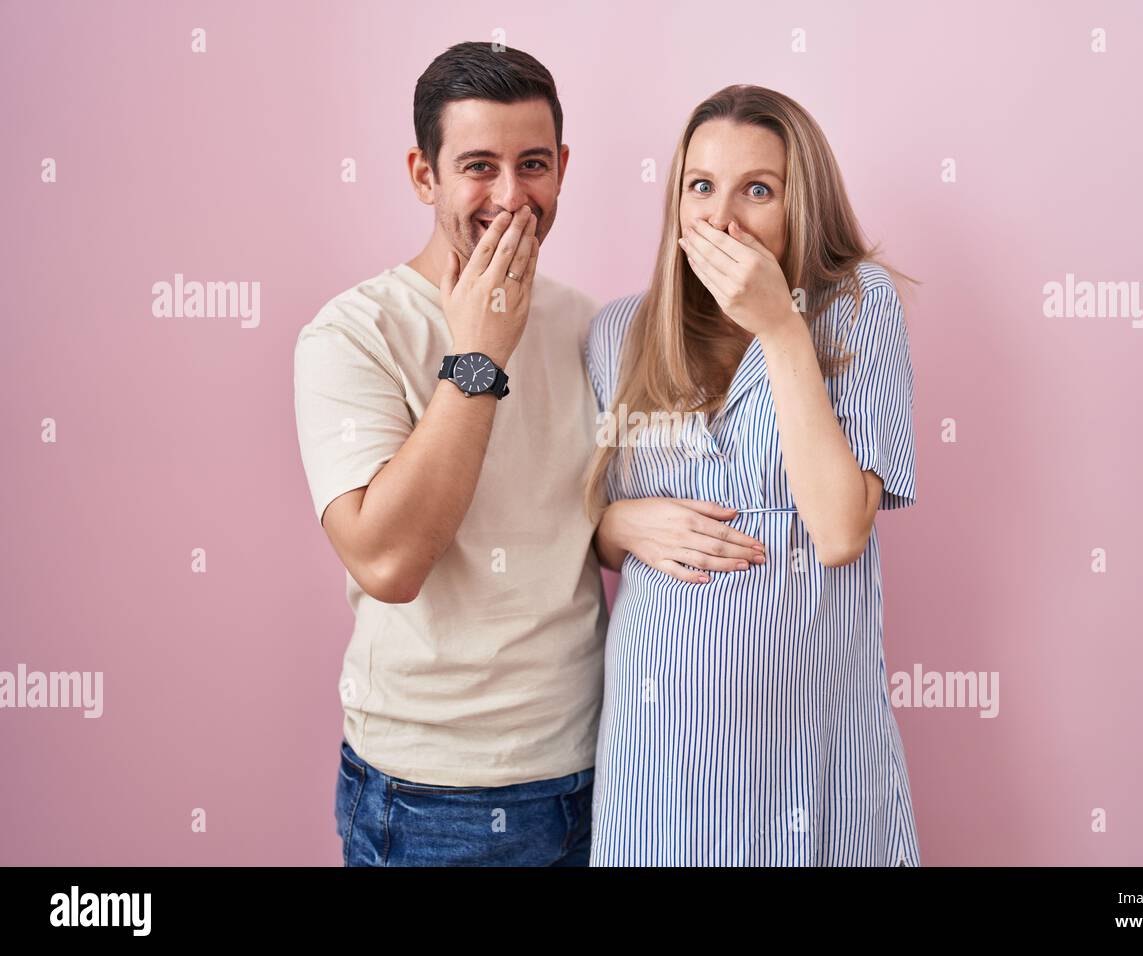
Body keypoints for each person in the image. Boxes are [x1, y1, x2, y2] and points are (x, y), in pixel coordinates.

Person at [583, 84, 922, 866]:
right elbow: (581, 522)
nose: (722, 218)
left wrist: (779, 325)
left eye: (757, 190)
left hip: (810, 754)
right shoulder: (616, 334)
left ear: (801, 204)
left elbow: (839, 530)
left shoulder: (859, 307)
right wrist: (614, 525)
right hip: (657, 756)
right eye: (700, 186)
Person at [292, 41, 606, 866]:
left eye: (533, 163)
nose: (510, 198)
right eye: (478, 166)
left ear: (563, 167)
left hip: (603, 770)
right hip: (433, 799)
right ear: (423, 175)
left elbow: (596, 521)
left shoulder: (592, 327)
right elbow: (389, 563)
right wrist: (479, 357)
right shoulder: (352, 333)